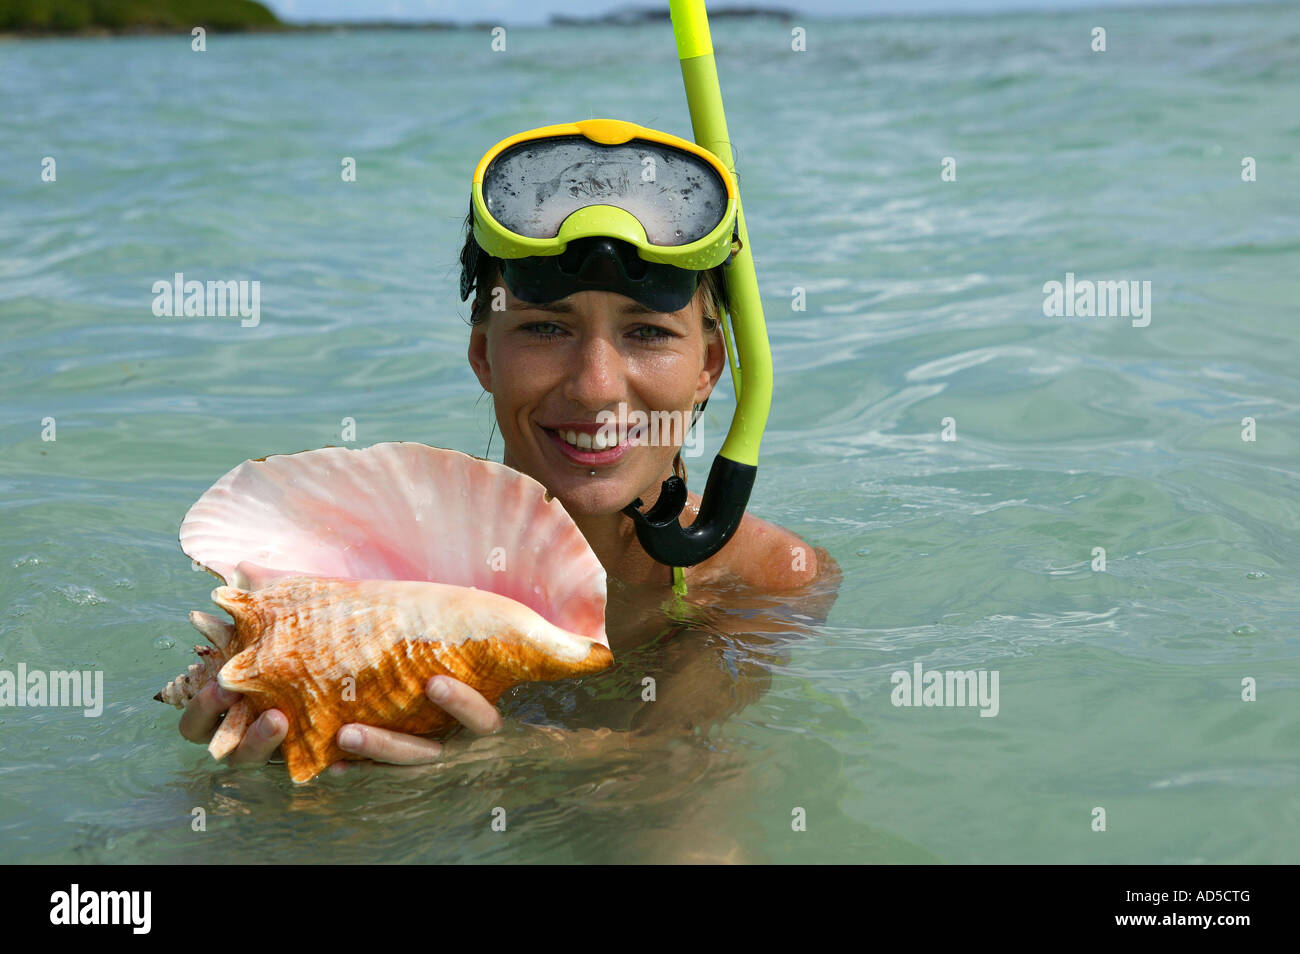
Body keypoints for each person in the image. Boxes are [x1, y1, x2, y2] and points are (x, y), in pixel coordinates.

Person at [178, 119, 839, 776]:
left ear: (711, 366)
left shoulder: (768, 579)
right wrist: (285, 777)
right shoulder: (375, 575)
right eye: (547, 328)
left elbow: (670, 768)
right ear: (483, 355)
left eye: (647, 333)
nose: (594, 387)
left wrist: (506, 759)